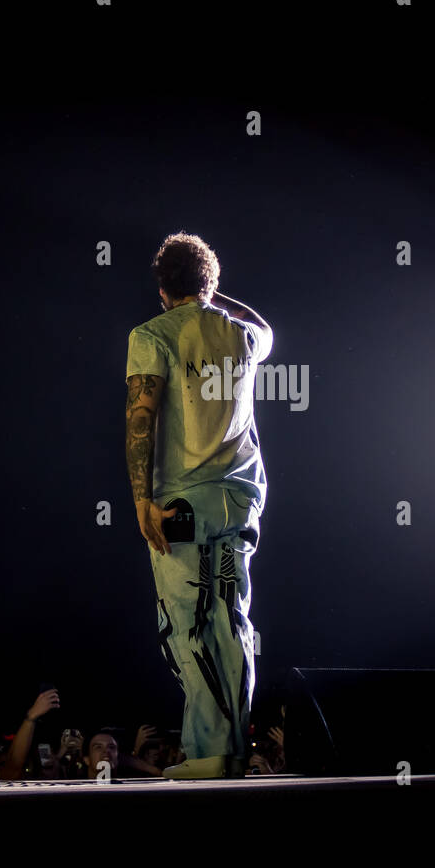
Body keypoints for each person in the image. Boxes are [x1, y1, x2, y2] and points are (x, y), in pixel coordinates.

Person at [124, 231, 273, 779]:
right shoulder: (246, 337)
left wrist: (141, 499)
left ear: (163, 289)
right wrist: (213, 299)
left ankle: (207, 754)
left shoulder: (151, 334)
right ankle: (224, 747)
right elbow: (264, 325)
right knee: (231, 621)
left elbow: (140, 417)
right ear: (210, 283)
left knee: (184, 624)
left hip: (181, 508)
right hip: (238, 507)